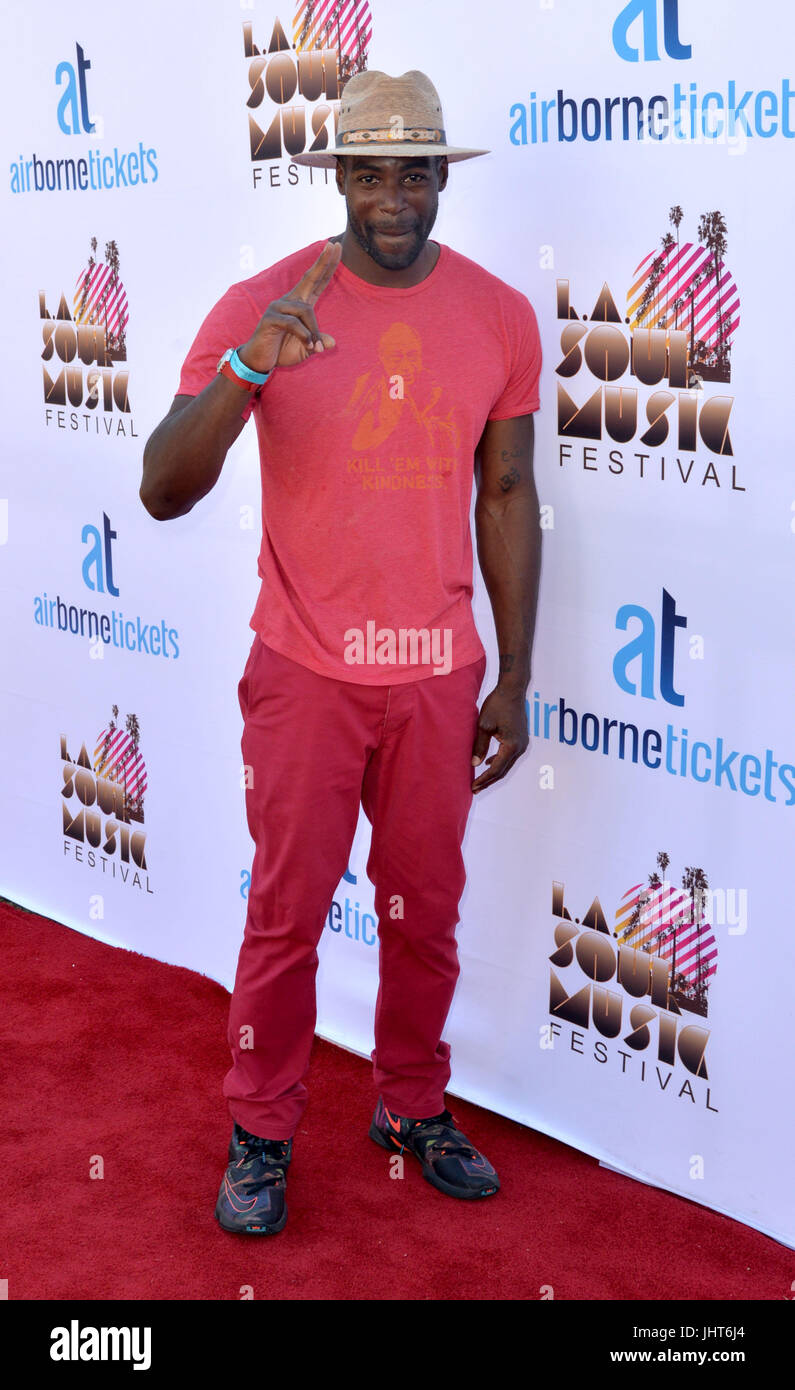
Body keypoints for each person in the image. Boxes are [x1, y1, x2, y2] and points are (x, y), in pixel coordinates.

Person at [139, 68, 543, 1236]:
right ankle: (261, 1131)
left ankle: (411, 1105)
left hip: (434, 672)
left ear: (438, 179)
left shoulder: (501, 313)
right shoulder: (265, 301)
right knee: (286, 912)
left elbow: (508, 490)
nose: (394, 197)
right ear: (339, 179)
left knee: (425, 912)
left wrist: (511, 674)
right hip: (306, 669)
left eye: (414, 172)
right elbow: (163, 487)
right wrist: (253, 365)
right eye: (370, 173)